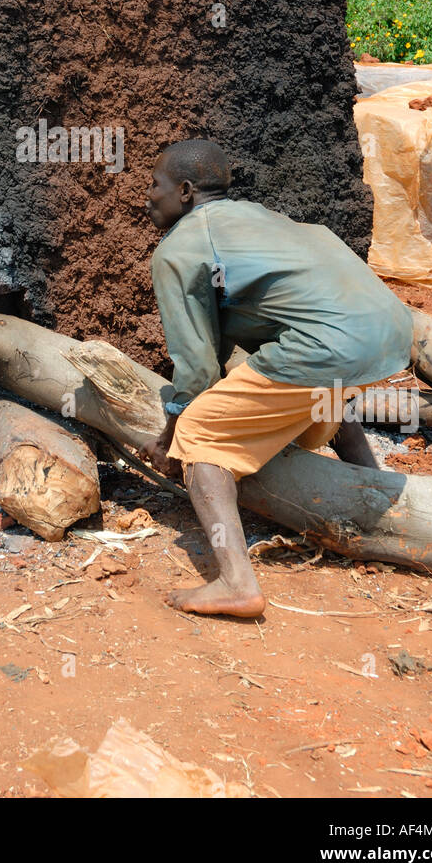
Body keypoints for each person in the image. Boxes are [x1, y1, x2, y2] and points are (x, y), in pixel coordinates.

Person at [141, 138, 414, 619]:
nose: (147, 196)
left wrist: (170, 435)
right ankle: (369, 478)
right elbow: (222, 342)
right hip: (389, 330)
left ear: (184, 191)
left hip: (332, 344)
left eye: (154, 186)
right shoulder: (256, 218)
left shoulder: (178, 250)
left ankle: (235, 583)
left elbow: (199, 369)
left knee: (200, 433)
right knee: (316, 380)